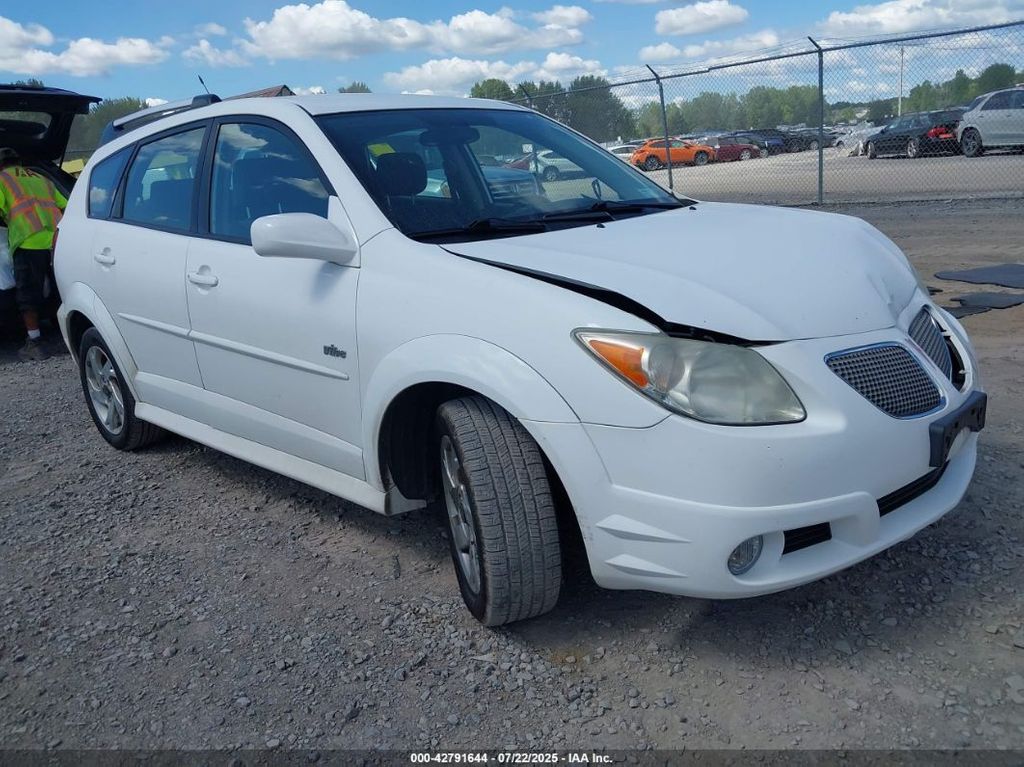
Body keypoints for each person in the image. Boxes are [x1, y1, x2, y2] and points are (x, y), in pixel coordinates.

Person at [0, 148, 67, 361]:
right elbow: (65, 206)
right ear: (19, 161)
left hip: (28, 241)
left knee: (27, 294)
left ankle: (35, 342)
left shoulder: (2, 179)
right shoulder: (41, 178)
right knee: (61, 288)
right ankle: (66, 334)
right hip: (58, 242)